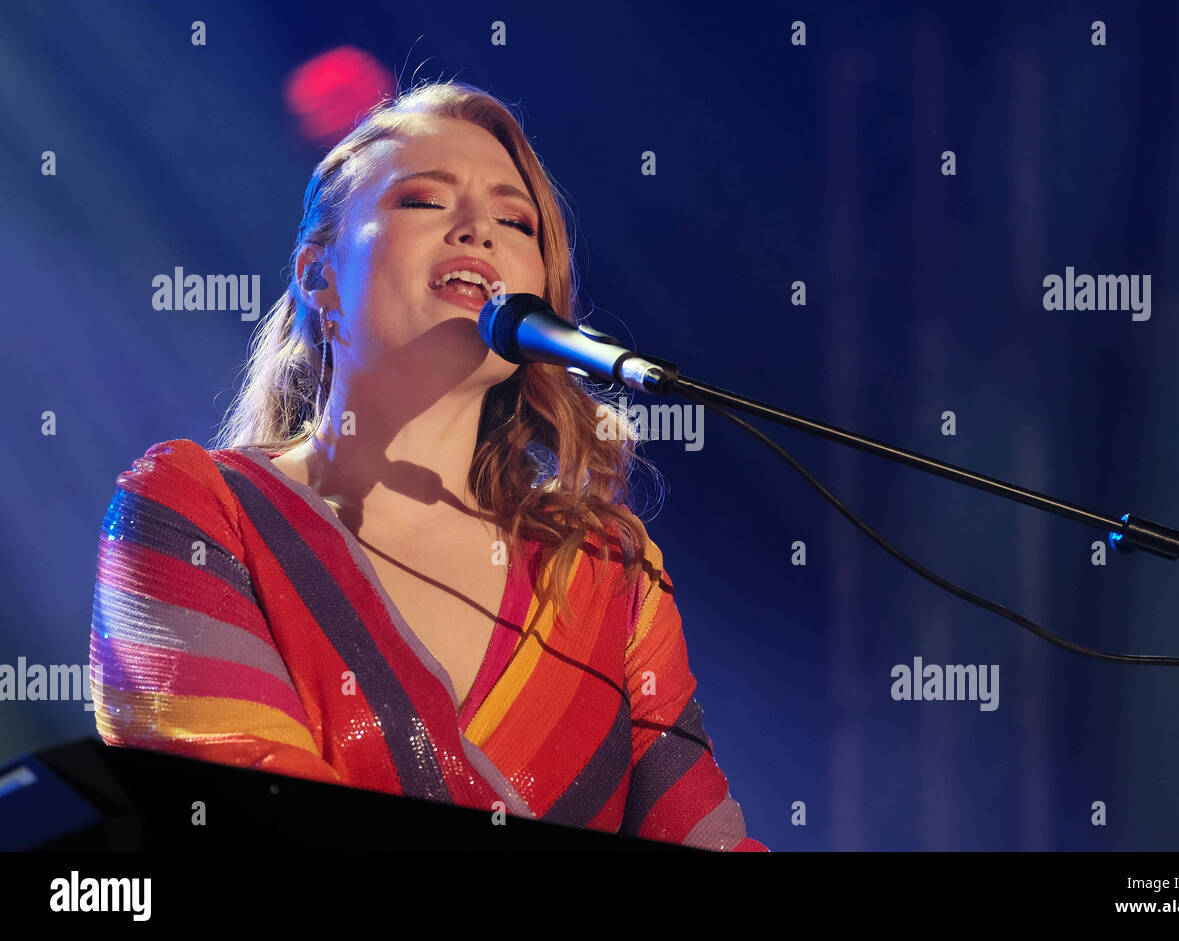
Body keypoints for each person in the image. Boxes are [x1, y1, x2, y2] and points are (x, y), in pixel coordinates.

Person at [89, 80, 766, 852]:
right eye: (423, 201)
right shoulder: (198, 510)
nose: (480, 229)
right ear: (319, 276)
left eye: (516, 221)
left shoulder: (609, 571)